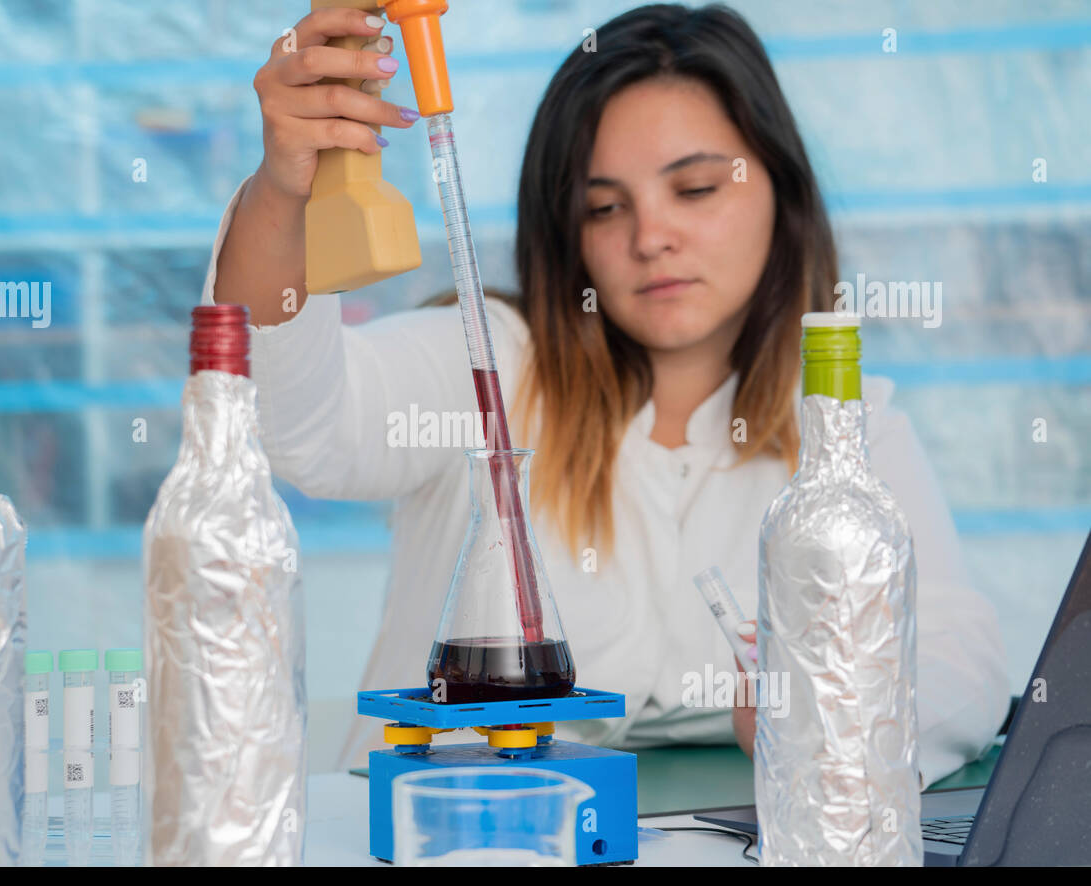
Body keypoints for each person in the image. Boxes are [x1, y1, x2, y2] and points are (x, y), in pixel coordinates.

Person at [204, 3, 1009, 782]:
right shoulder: (488, 361)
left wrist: (838, 719)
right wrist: (285, 196)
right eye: (603, 206)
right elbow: (297, 425)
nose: (650, 236)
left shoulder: (840, 424)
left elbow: (958, 654)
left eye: (695, 189)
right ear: (567, 231)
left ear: (782, 192)